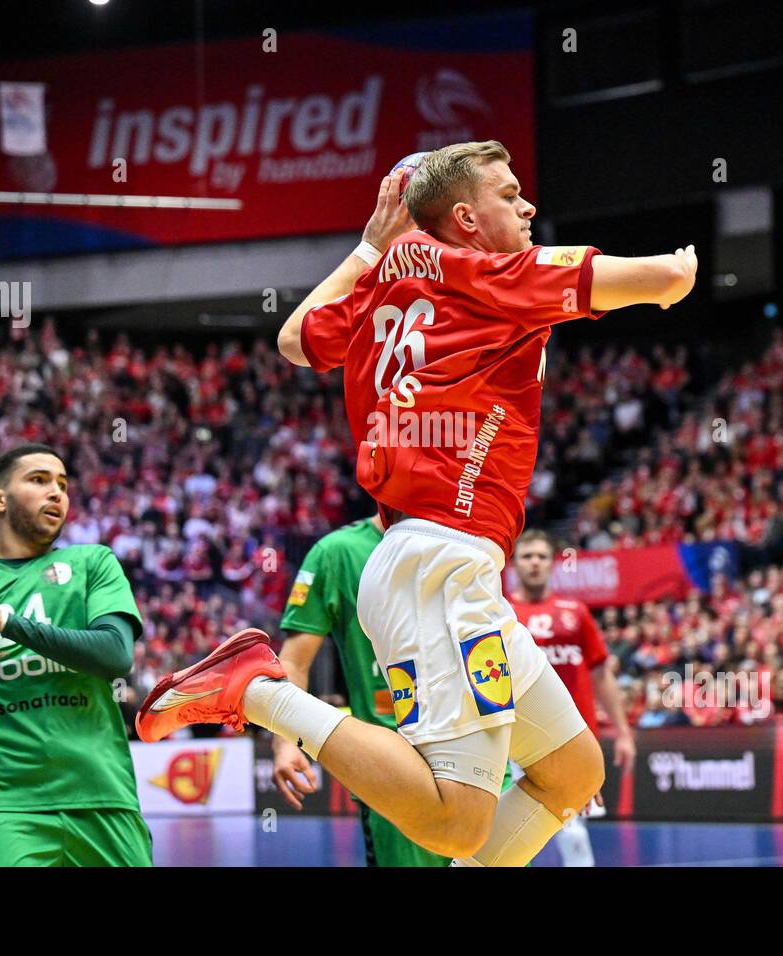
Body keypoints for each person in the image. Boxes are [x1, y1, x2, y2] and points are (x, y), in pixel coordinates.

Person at [137, 141, 697, 866]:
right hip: (437, 565)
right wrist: (681, 268)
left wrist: (369, 249)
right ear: (465, 217)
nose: (528, 207)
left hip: (439, 562)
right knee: (458, 820)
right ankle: (257, 692)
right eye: (509, 195)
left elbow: (294, 338)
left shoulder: (377, 289)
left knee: (574, 771)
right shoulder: (491, 273)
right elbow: (657, 278)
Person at [0, 443, 152, 866]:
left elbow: (114, 654)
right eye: (38, 480)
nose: (57, 492)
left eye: (62, 484)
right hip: (1, 806)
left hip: (103, 793)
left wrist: (4, 622)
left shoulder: (94, 563)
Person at [273, 513, 448, 866]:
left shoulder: (467, 537)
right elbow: (294, 662)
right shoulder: (338, 552)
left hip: (485, 765)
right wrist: (285, 739)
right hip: (393, 772)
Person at [506, 529, 636, 866]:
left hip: (569, 739)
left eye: (541, 556)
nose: (534, 562)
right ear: (514, 564)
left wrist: (622, 733)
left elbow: (601, 674)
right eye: (526, 556)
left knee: (573, 831)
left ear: (552, 563)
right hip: (512, 741)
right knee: (507, 832)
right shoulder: (501, 613)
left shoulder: (575, 612)